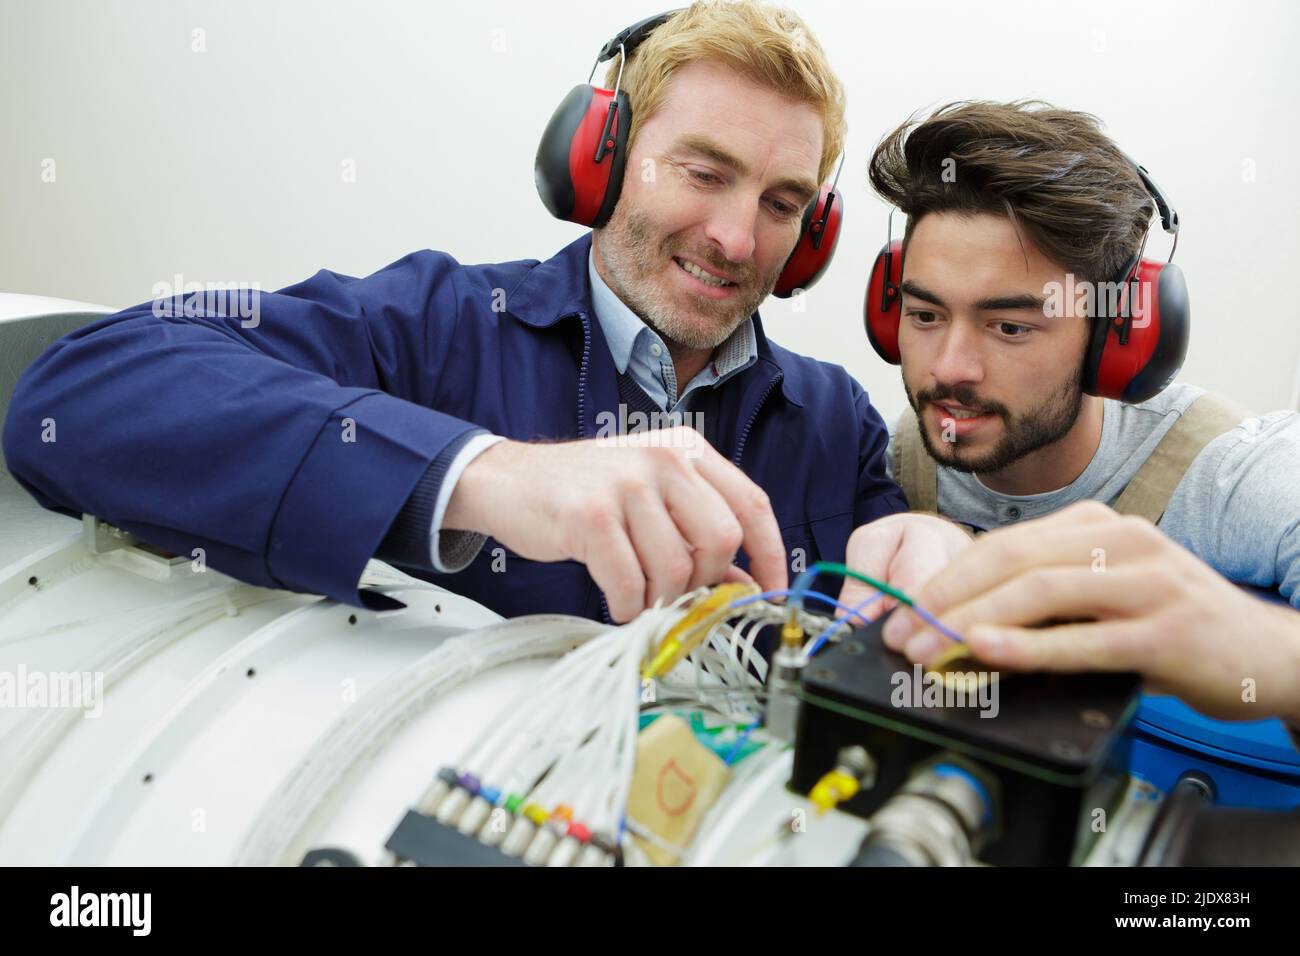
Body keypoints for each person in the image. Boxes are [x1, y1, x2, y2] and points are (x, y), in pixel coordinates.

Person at [2, 1, 908, 625]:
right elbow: (77, 395)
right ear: (601, 157)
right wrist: (485, 477)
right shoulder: (439, 322)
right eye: (704, 174)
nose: (739, 239)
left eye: (783, 204)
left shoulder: (838, 427)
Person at [834, 101, 1299, 643]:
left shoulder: (1226, 475)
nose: (949, 368)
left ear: (1114, 336)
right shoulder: (888, 466)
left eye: (1009, 327)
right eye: (926, 316)